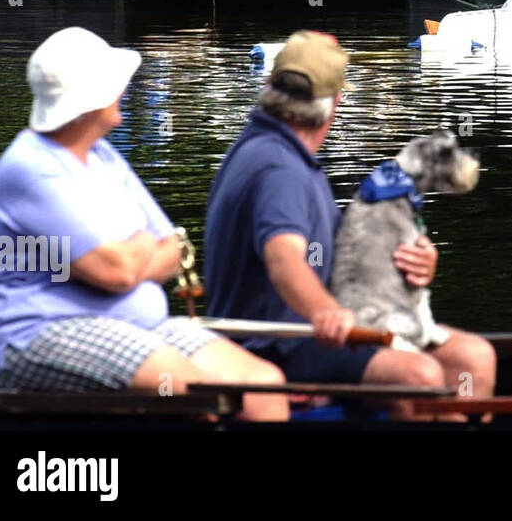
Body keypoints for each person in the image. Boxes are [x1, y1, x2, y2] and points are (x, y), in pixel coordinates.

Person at [0, 27, 287, 421]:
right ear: (91, 101)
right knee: (197, 394)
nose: (124, 91)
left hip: (131, 325)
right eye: (115, 85)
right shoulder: (32, 169)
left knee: (265, 387)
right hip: (35, 332)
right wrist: (136, 254)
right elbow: (117, 272)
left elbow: (172, 248)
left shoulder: (101, 154)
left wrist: (134, 257)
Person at [203, 30, 496, 419]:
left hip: (314, 333)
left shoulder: (278, 149)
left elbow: (332, 252)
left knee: (473, 359)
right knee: (419, 375)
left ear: (270, 89)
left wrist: (408, 259)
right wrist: (326, 310)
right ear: (335, 103)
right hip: (278, 343)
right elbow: (283, 258)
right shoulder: (279, 168)